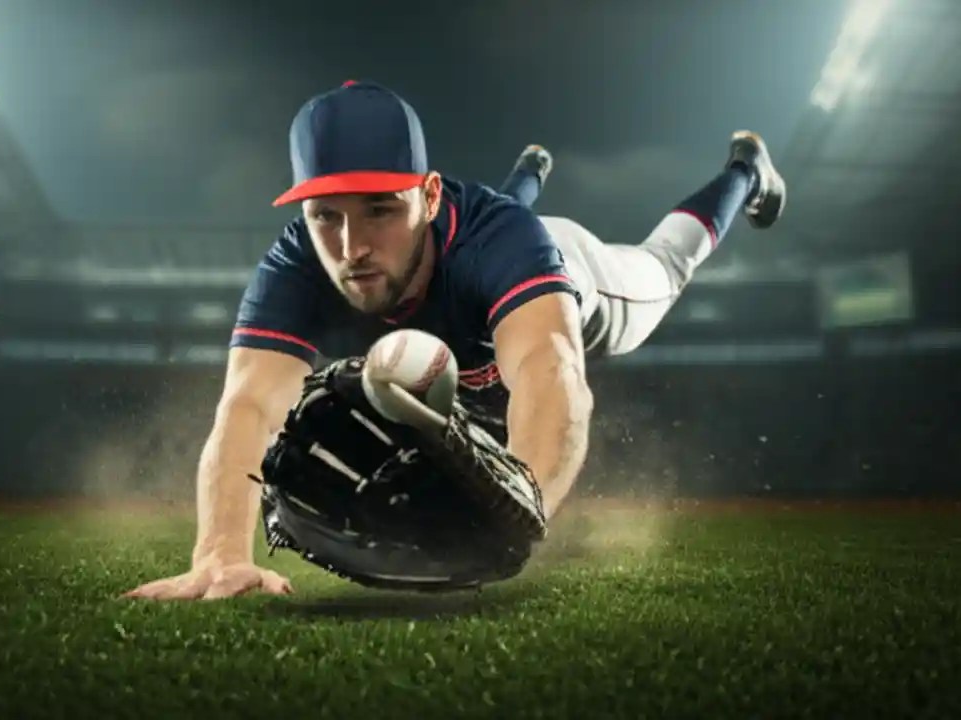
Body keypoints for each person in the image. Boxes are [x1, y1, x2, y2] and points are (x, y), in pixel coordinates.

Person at [125, 80, 785, 601]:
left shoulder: (504, 244)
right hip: (466, 278)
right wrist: (219, 552)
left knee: (662, 266)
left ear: (429, 194)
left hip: (570, 272)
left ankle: (745, 172)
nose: (352, 248)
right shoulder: (295, 266)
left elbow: (550, 371)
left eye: (381, 207)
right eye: (326, 215)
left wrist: (522, 504)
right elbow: (247, 405)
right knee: (454, 247)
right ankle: (526, 170)